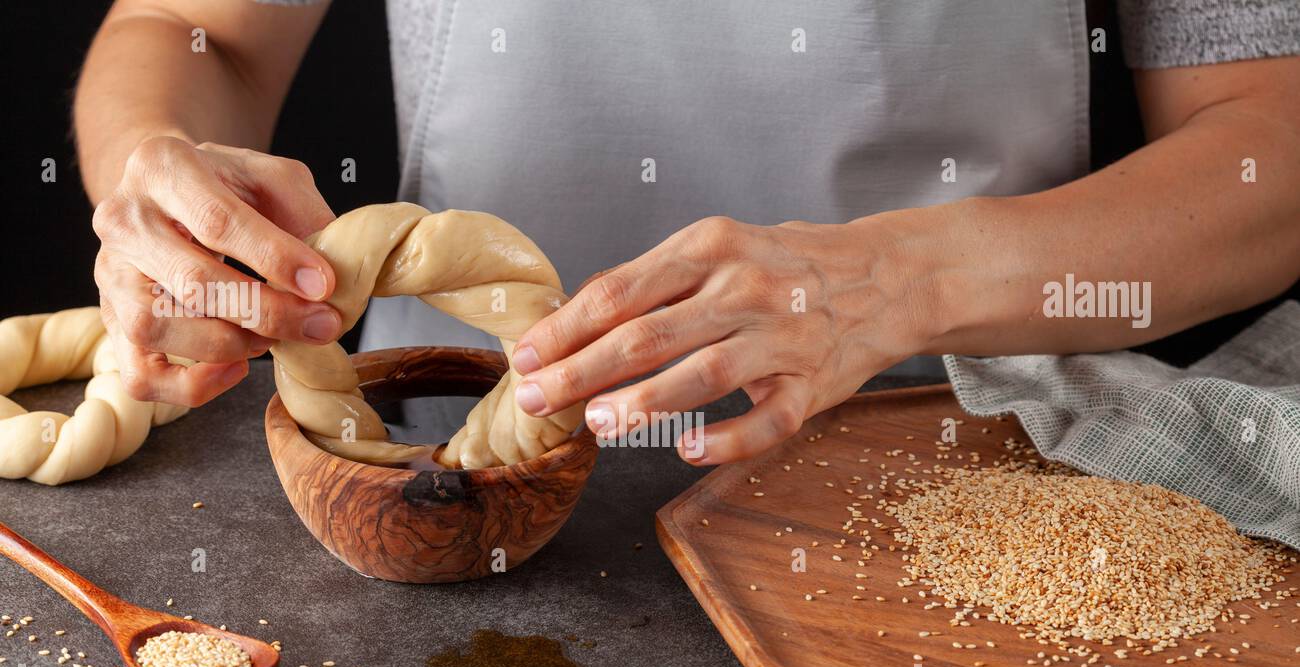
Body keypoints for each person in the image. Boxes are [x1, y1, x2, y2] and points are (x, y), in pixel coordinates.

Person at [77, 0, 1300, 465]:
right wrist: (153, 172)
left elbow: (1268, 142)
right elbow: (199, 33)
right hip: (448, 463)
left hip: (976, 464)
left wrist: (892, 281)